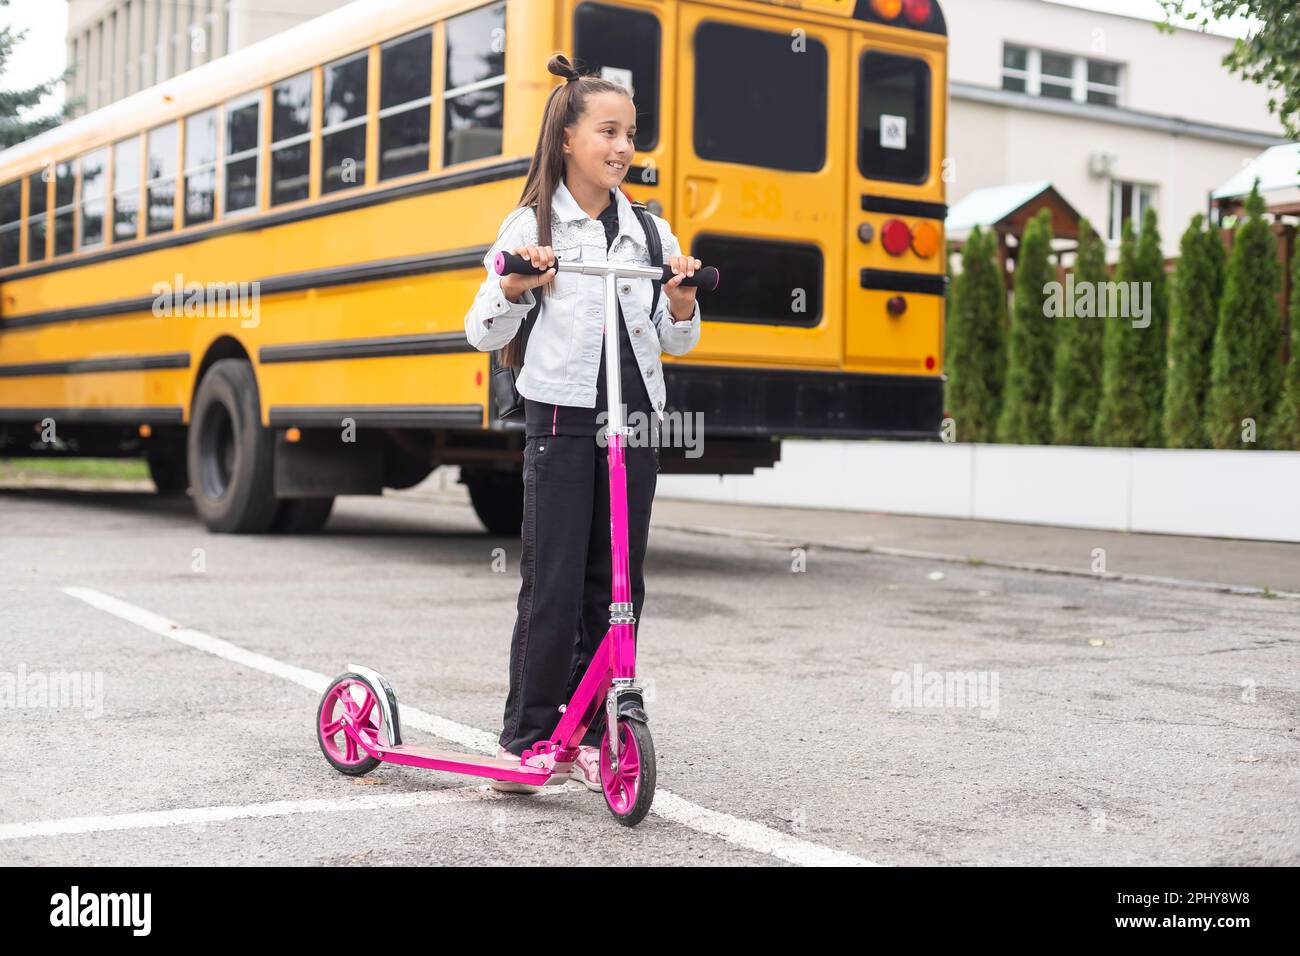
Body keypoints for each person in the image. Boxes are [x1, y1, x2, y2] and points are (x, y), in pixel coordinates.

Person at [463, 52, 702, 793]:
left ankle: (598, 731)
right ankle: (528, 736)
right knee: (555, 583)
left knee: (619, 589)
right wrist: (514, 280)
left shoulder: (649, 233)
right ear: (567, 137)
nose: (624, 148)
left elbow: (675, 336)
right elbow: (481, 329)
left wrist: (686, 300)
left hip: (634, 423)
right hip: (561, 421)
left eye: (630, 134)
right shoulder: (532, 224)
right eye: (608, 131)